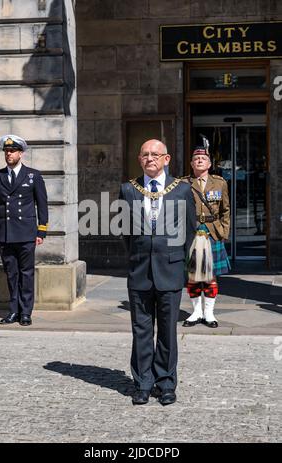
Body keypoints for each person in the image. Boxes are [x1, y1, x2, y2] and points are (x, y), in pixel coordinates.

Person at [119, 139, 196, 405]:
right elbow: (126, 233)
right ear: (139, 159)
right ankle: (142, 383)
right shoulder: (128, 189)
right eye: (145, 154)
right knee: (141, 330)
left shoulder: (183, 190)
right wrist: (141, 254)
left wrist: (179, 263)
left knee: (167, 332)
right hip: (140, 271)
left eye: (155, 154)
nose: (150, 158)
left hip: (170, 270)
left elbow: (188, 232)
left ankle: (165, 383)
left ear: (166, 159)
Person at [0, 134, 48, 326]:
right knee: (11, 274)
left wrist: (41, 231)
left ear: (21, 153)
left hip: (26, 233)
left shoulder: (33, 175)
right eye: (6, 151)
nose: (9, 154)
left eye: (12, 151)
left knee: (26, 274)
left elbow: (42, 204)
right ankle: (13, 311)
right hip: (5, 233)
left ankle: (26, 312)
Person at [181, 142, 230, 328]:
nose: (199, 160)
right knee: (193, 275)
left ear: (209, 164)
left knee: (210, 276)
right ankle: (196, 312)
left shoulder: (220, 183)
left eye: (203, 158)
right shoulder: (183, 183)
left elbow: (226, 210)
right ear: (192, 164)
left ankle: (209, 313)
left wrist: (224, 232)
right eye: (196, 159)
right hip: (192, 233)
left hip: (212, 232)